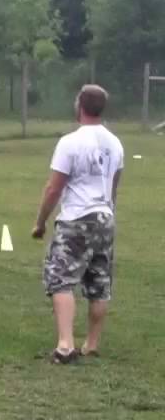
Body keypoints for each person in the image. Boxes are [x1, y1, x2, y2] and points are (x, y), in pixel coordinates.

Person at [32, 85, 125, 365]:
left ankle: (65, 345)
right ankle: (92, 344)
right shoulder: (116, 143)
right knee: (99, 281)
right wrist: (108, 213)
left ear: (80, 106)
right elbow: (113, 186)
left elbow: (54, 188)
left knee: (60, 278)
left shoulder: (70, 142)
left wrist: (40, 222)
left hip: (77, 218)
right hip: (105, 217)